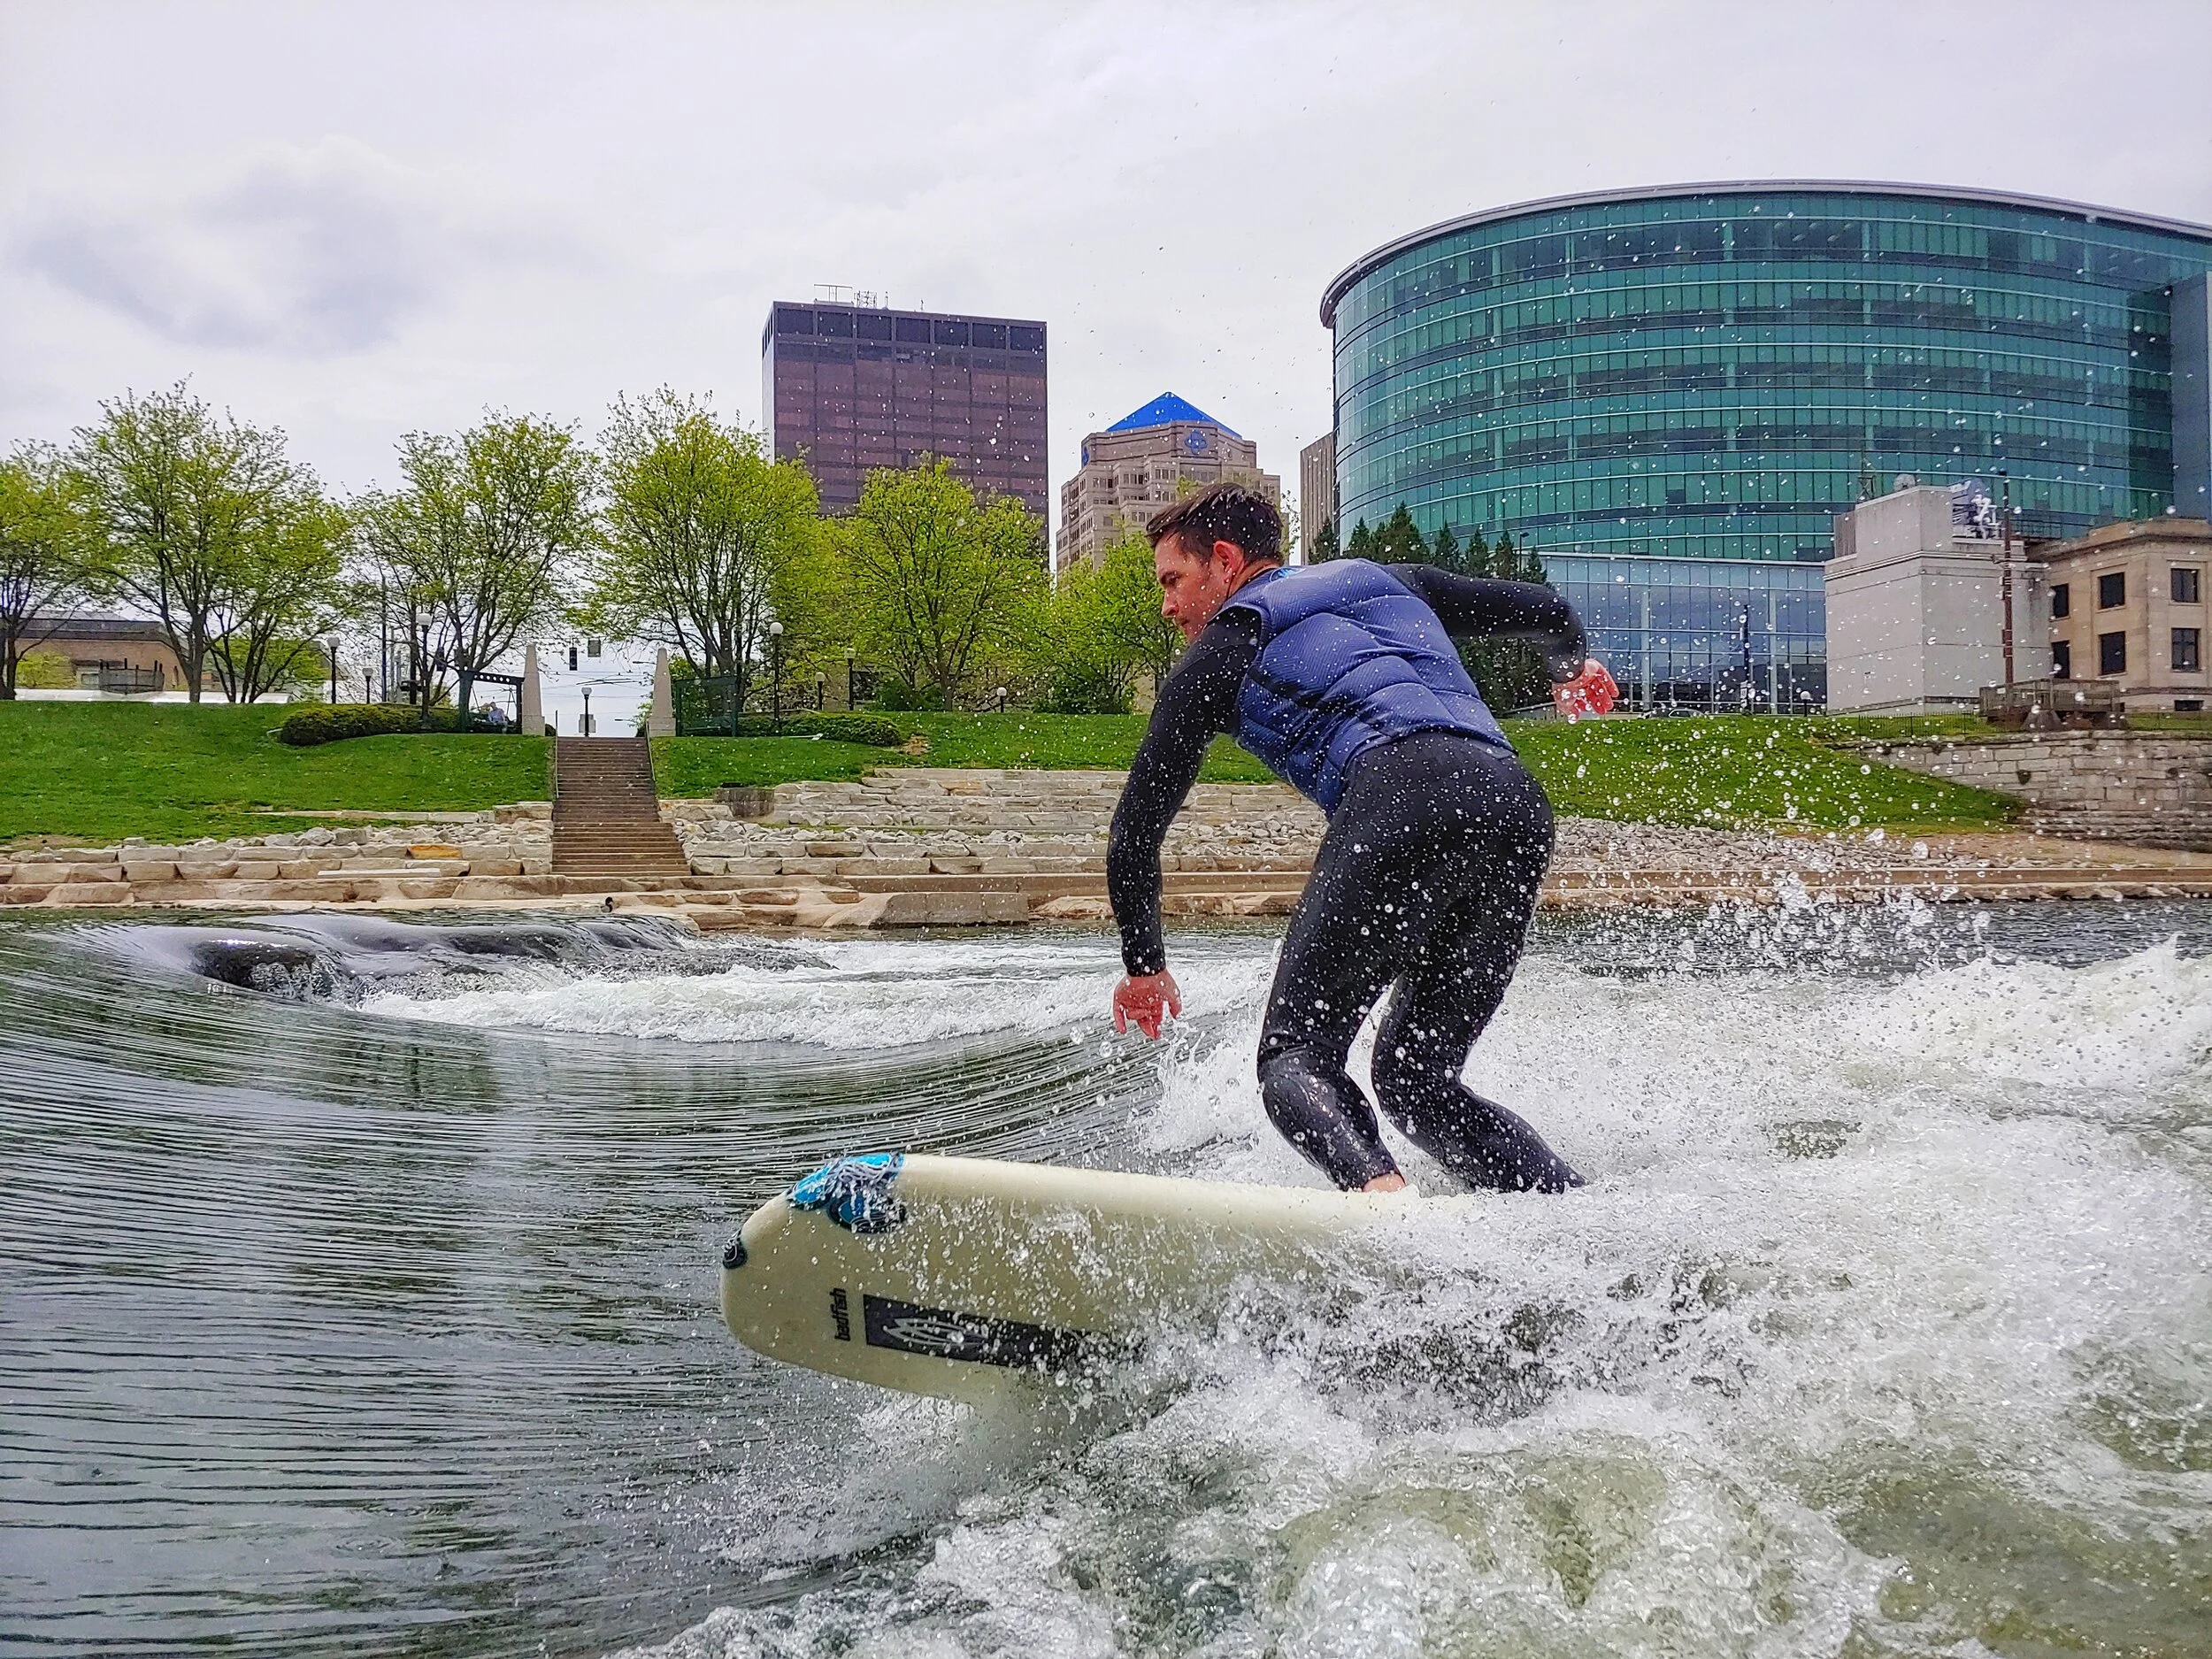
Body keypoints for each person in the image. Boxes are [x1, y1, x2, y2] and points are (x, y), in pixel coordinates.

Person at [1106, 483, 1617, 1195]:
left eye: (1173, 580)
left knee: (1294, 1058)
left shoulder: (1227, 645)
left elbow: (1135, 829)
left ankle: (1392, 1219)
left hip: (1401, 792)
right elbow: (1548, 610)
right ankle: (1583, 1219)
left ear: (1224, 560)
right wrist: (1573, 670)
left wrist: (1144, 965)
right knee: (1417, 1081)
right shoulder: (1385, 580)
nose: (1166, 605)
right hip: (1515, 802)